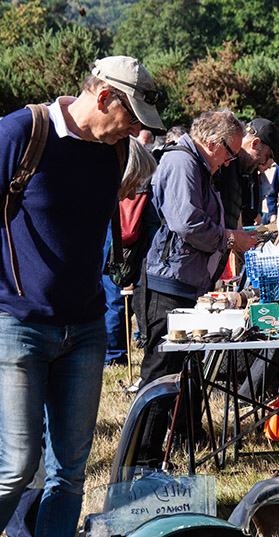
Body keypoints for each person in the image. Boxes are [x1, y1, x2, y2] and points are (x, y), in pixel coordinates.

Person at [0, 55, 163, 537]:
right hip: (15, 326)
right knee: (17, 464)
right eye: (131, 118)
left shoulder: (114, 155)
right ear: (104, 97)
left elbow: (97, 238)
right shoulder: (20, 132)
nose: (135, 131)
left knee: (68, 473)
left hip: (84, 331)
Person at [140, 109, 255, 397]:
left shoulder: (197, 165)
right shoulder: (182, 162)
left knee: (184, 368)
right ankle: (146, 442)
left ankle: (184, 434)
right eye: (229, 154)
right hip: (170, 282)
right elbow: (188, 225)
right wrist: (230, 238)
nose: (229, 163)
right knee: (163, 370)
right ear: (214, 143)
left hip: (184, 278)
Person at [102, 136, 159, 367]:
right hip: (124, 244)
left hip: (124, 242)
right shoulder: (136, 173)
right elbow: (129, 227)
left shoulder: (132, 170)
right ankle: (114, 355)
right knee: (117, 301)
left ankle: (114, 353)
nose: (133, 193)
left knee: (117, 301)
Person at [215, 118, 279, 230]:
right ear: (255, 143)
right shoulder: (223, 163)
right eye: (268, 156)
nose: (265, 163)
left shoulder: (239, 168)